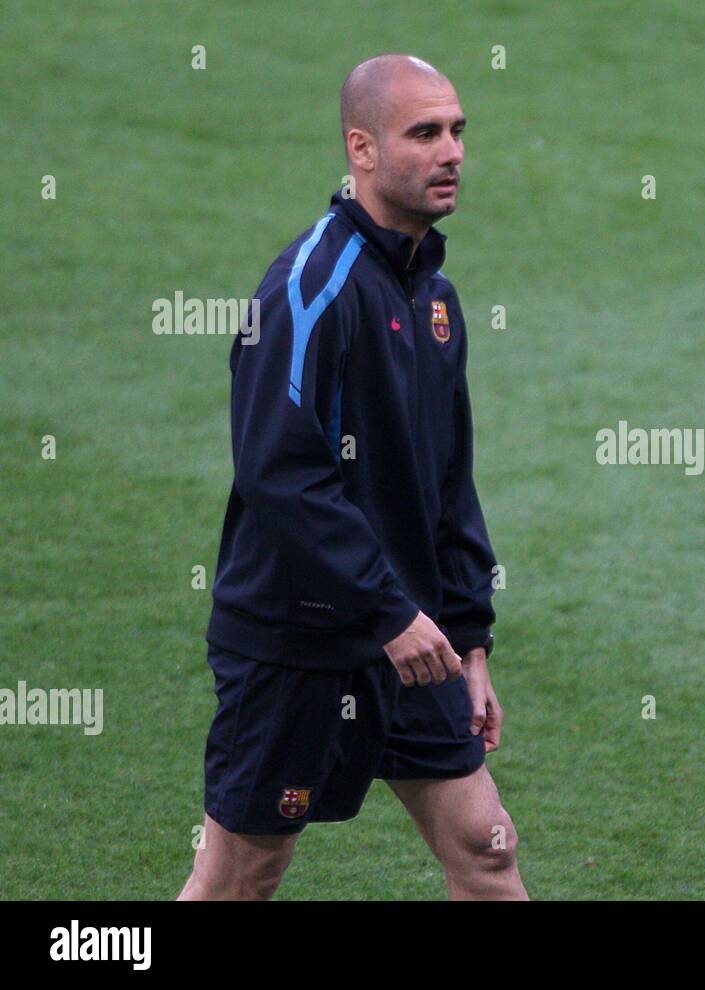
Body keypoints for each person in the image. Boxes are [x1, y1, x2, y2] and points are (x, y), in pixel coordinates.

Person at [179, 55, 526, 900]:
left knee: (486, 849)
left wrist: (469, 637)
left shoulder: (433, 296)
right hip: (298, 643)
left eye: (457, 131)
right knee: (242, 874)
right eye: (424, 133)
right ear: (361, 149)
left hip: (412, 641)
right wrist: (388, 610)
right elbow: (281, 472)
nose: (451, 152)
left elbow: (446, 482)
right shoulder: (307, 290)